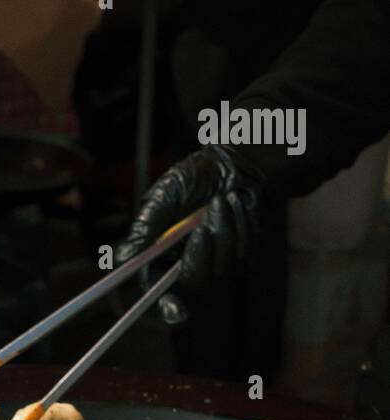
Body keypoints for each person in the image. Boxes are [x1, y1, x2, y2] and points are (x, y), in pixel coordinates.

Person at [113, 0, 390, 380]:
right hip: (231, 75)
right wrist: (241, 157)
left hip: (262, 48)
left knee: (255, 281)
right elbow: (367, 39)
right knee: (218, 251)